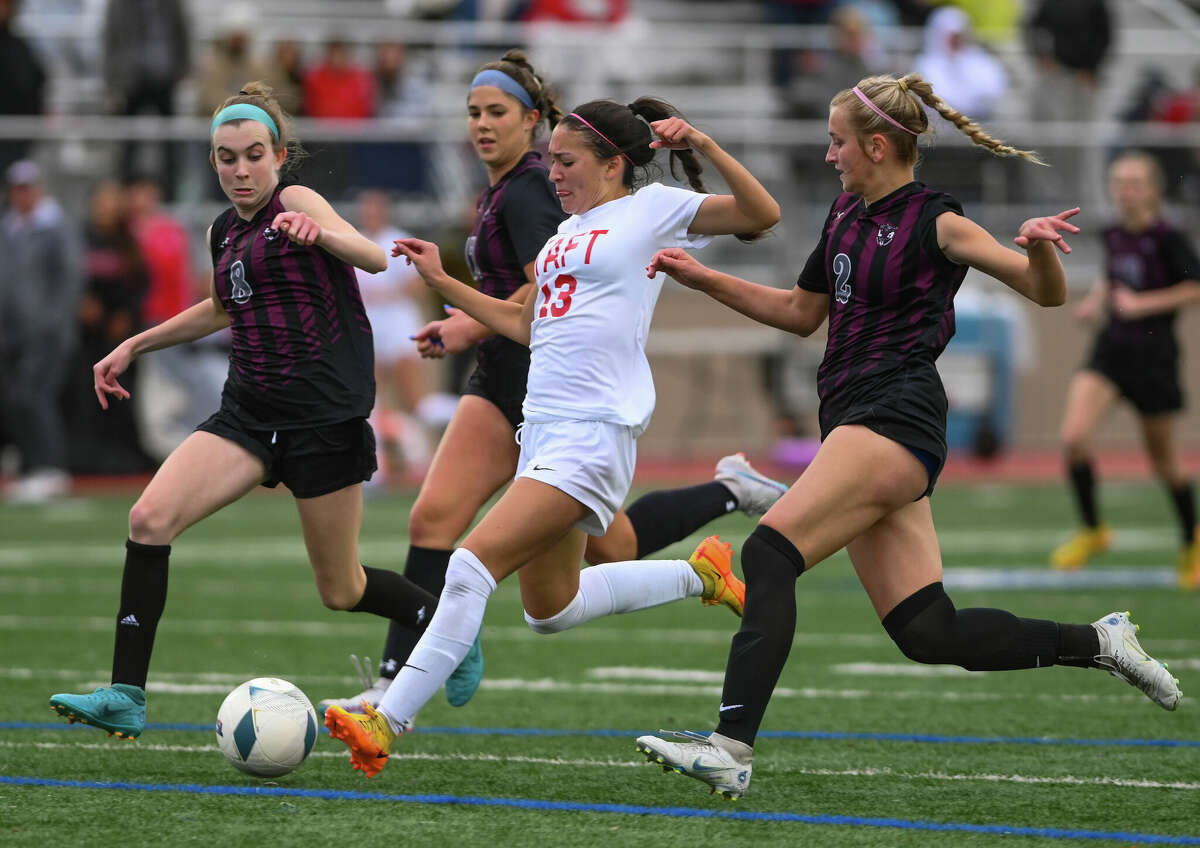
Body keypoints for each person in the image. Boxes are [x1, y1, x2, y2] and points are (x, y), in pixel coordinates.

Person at [632, 73, 1183, 801]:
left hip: (895, 416)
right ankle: (1101, 642)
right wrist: (702, 279)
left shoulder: (937, 220)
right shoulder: (843, 215)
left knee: (768, 552)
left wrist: (1040, 247)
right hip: (855, 420)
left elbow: (1044, 290)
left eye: (837, 144)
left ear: (879, 145)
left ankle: (730, 748)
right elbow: (801, 313)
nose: (830, 157)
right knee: (929, 630)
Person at [323, 90, 782, 778]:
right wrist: (445, 281)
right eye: (551, 160)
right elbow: (524, 326)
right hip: (543, 430)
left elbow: (762, 213)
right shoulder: (565, 234)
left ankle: (387, 718)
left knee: (469, 565)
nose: (554, 172)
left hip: (594, 432)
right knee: (551, 608)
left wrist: (705, 145)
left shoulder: (651, 211)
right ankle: (699, 575)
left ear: (613, 162)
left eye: (565, 161)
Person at [47, 82, 481, 740]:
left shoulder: (295, 200)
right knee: (149, 517)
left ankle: (450, 627)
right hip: (248, 413)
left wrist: (322, 232)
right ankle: (126, 694)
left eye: (252, 155)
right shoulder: (224, 230)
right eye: (226, 158)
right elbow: (222, 308)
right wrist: (134, 343)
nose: (240, 170)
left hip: (323, 417)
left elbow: (371, 255)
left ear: (277, 154)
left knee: (342, 588)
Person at [1050, 151, 1200, 588]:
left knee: (1164, 462)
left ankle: (1191, 541)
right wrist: (1097, 300)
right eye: (1119, 183)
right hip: (1110, 352)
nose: (1126, 192)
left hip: (1154, 359)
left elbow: (1194, 287)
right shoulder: (1112, 233)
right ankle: (1093, 530)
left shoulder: (1170, 238)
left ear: (1153, 190)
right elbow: (1113, 277)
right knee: (1074, 437)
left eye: (1135, 183)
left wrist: (1142, 305)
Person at [0, 159, 82, 504]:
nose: (23, 195)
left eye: (28, 188)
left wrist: (50, 324)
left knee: (36, 398)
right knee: (18, 401)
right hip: (12, 334)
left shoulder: (55, 226)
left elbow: (69, 280)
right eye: (17, 188)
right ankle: (34, 467)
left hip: (47, 334)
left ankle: (51, 468)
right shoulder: (10, 227)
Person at [352, 189, 434, 478]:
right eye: (366, 207)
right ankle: (379, 462)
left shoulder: (398, 240)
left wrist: (391, 293)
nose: (370, 213)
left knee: (410, 394)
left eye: (375, 207)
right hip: (369, 324)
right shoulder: (355, 241)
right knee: (370, 394)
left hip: (398, 322)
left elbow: (420, 282)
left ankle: (421, 459)